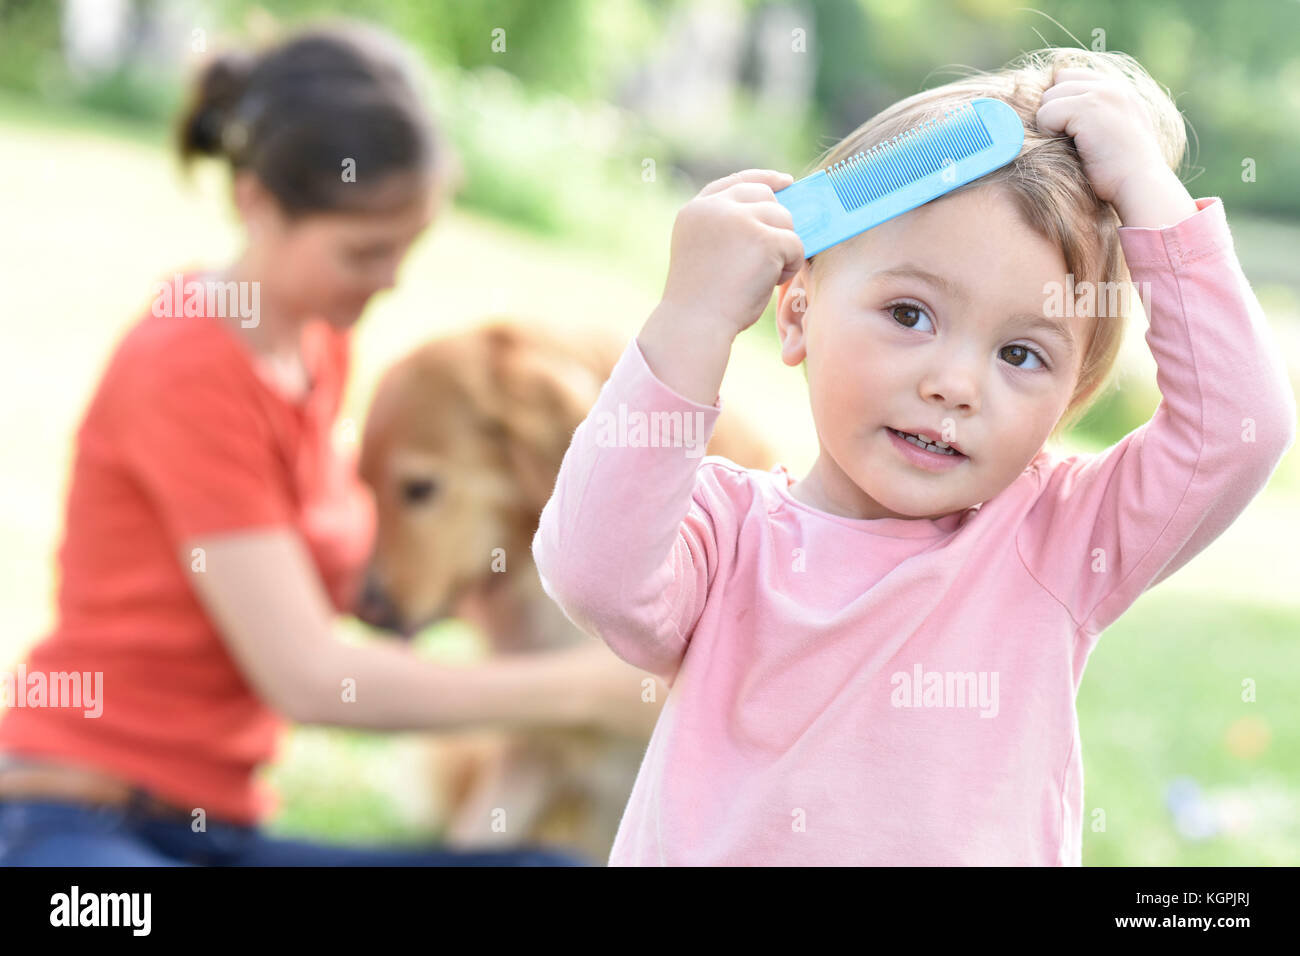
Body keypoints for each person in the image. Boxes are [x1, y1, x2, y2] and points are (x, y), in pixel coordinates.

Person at [532, 47, 1297, 865]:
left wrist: (1151, 196)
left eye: (1021, 356)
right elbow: (594, 575)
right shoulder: (724, 538)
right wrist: (690, 320)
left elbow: (1237, 428)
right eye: (908, 313)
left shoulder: (1057, 544)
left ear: (1066, 405)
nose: (956, 383)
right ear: (796, 313)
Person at [0, 22, 652, 867]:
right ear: (257, 203)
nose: (390, 279)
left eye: (406, 249)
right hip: (74, 824)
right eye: (364, 250)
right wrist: (587, 692)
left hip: (215, 837)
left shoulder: (315, 350)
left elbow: (358, 576)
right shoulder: (185, 365)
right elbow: (305, 676)